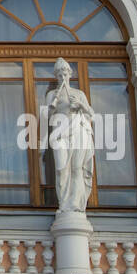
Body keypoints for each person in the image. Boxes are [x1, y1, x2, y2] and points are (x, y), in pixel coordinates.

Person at [46, 58, 95, 213]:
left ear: (70, 74)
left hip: (78, 130)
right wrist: (52, 106)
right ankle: (64, 203)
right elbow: (46, 115)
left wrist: (80, 105)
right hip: (60, 133)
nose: (63, 78)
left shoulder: (78, 93)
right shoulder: (52, 94)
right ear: (56, 76)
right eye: (59, 75)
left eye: (65, 74)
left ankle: (75, 205)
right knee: (61, 168)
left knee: (77, 168)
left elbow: (91, 114)